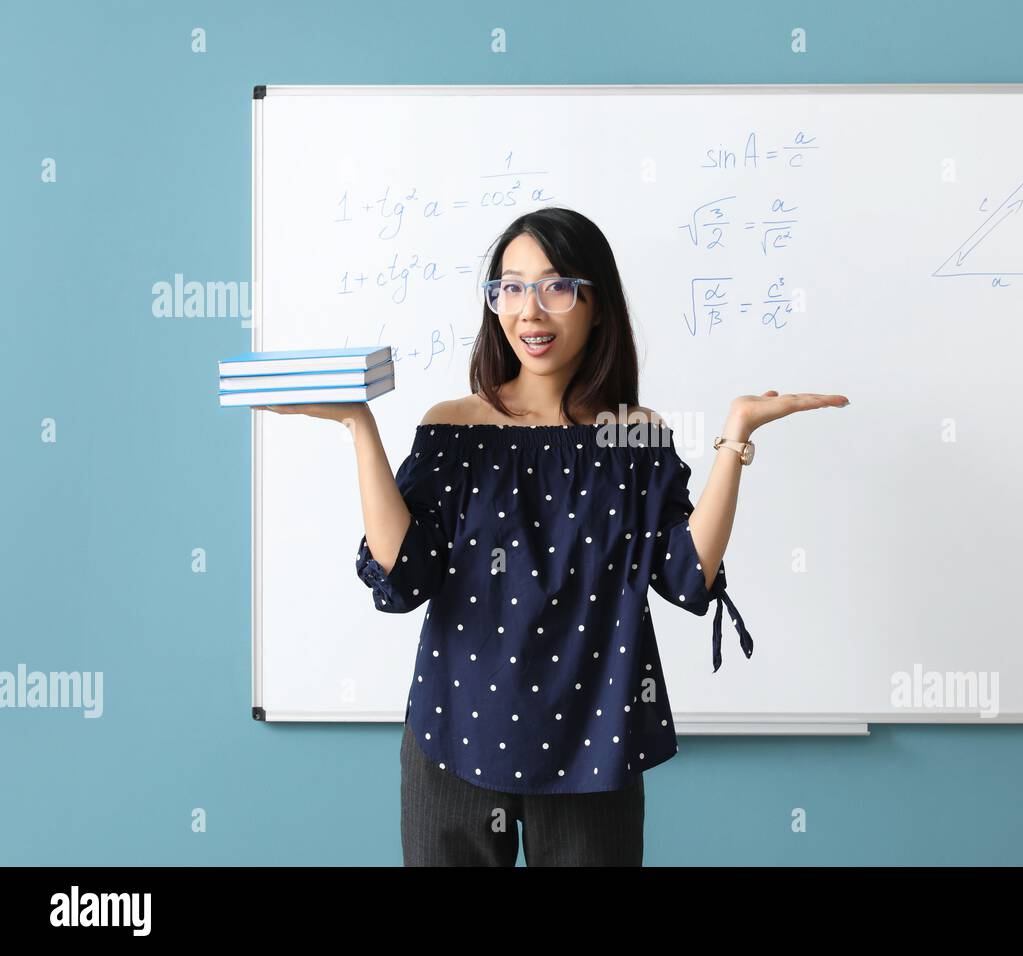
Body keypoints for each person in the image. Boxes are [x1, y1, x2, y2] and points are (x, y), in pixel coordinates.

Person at [257, 206, 848, 865]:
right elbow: (405, 578)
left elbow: (688, 576)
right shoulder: (455, 427)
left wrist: (735, 435)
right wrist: (358, 427)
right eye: (510, 287)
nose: (530, 311)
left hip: (593, 740)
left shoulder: (633, 435)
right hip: (454, 733)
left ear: (597, 304)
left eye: (556, 286)